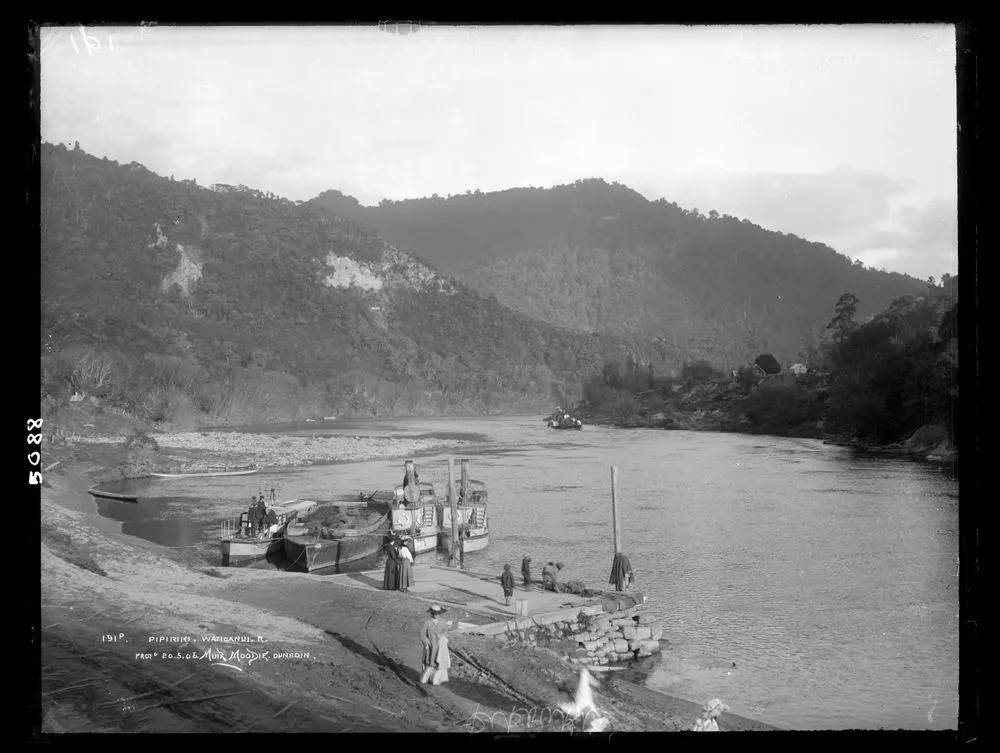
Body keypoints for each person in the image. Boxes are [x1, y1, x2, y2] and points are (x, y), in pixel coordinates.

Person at [420, 605, 450, 684]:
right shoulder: (428, 623)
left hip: (440, 644)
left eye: (437, 614)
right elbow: (422, 633)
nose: (436, 615)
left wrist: (443, 637)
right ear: (432, 613)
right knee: (429, 658)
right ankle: (428, 670)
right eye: (434, 613)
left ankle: (439, 674)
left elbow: (446, 631)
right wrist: (426, 641)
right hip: (431, 644)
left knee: (440, 658)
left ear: (440, 614)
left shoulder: (443, 621)